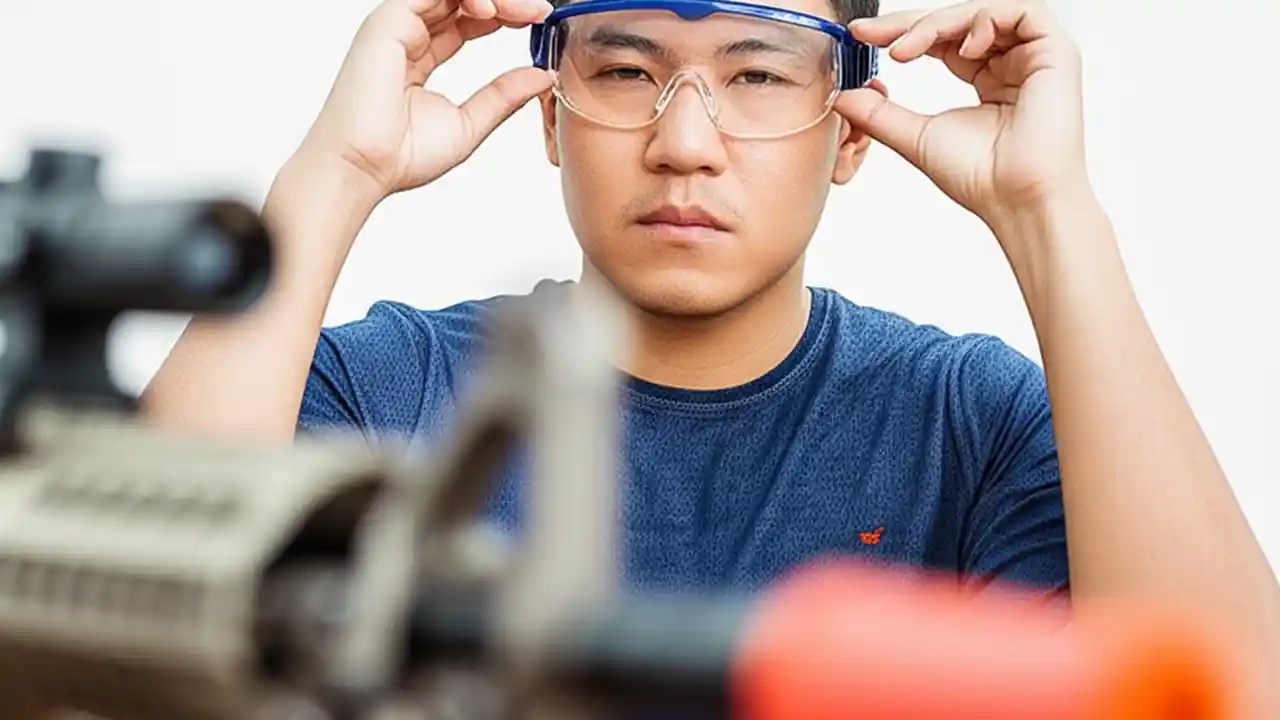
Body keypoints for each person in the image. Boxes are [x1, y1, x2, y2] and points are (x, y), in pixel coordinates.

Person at [143, 0, 1279, 707]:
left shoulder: (966, 423)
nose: (683, 143)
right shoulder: (386, 388)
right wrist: (334, 173)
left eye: (758, 76)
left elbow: (1226, 694)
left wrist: (1048, 211)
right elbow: (123, 652)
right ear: (549, 112)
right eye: (626, 72)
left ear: (848, 129)